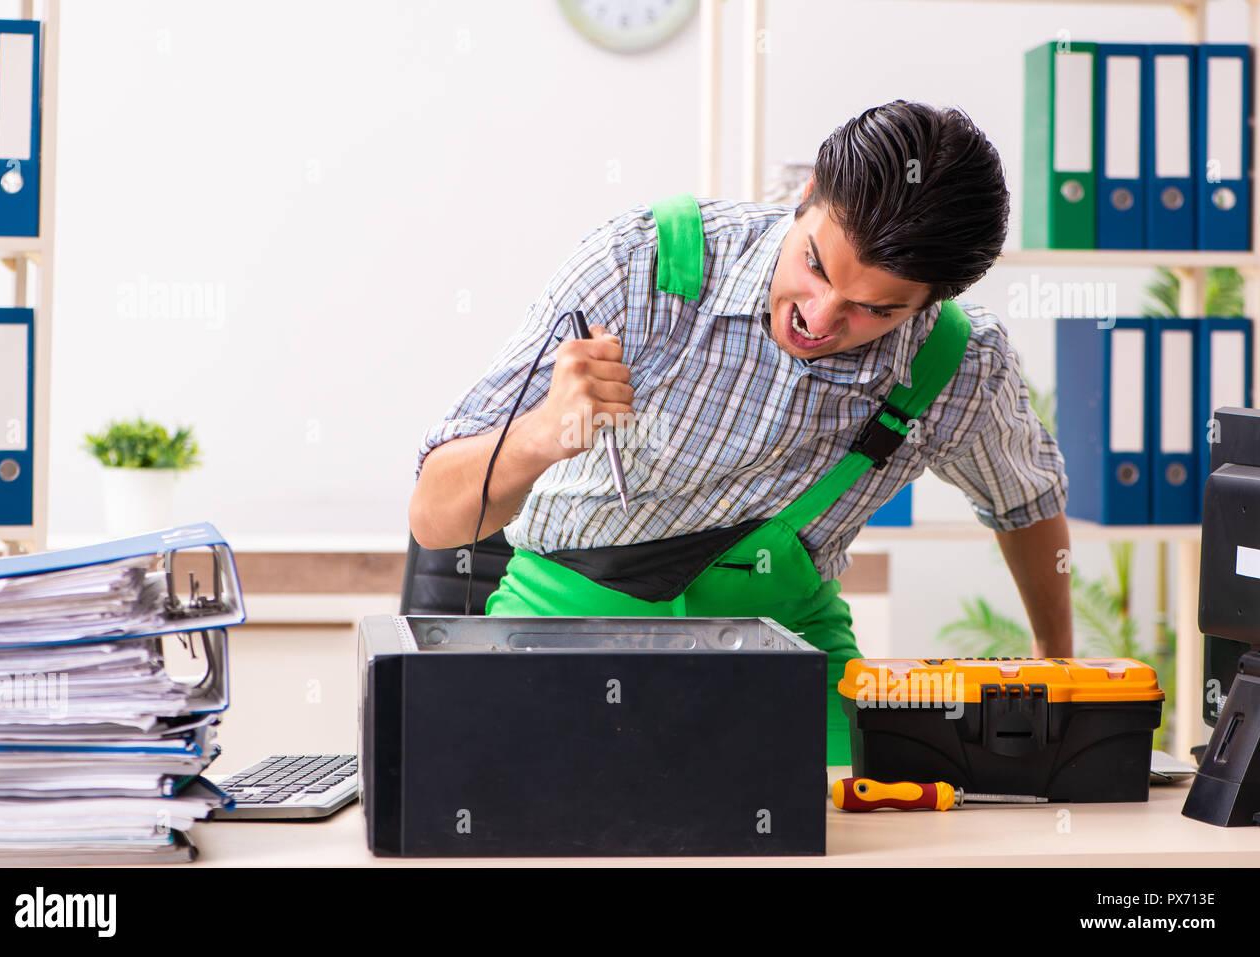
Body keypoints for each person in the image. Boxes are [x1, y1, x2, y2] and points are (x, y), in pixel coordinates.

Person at [410, 100, 1073, 765]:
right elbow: (434, 518)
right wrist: (543, 432)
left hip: (785, 657)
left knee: (864, 821)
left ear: (930, 302)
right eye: (816, 267)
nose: (819, 319)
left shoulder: (957, 363)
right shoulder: (640, 267)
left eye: (873, 309)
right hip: (557, 633)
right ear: (807, 195)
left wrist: (1056, 668)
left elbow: (1026, 500)